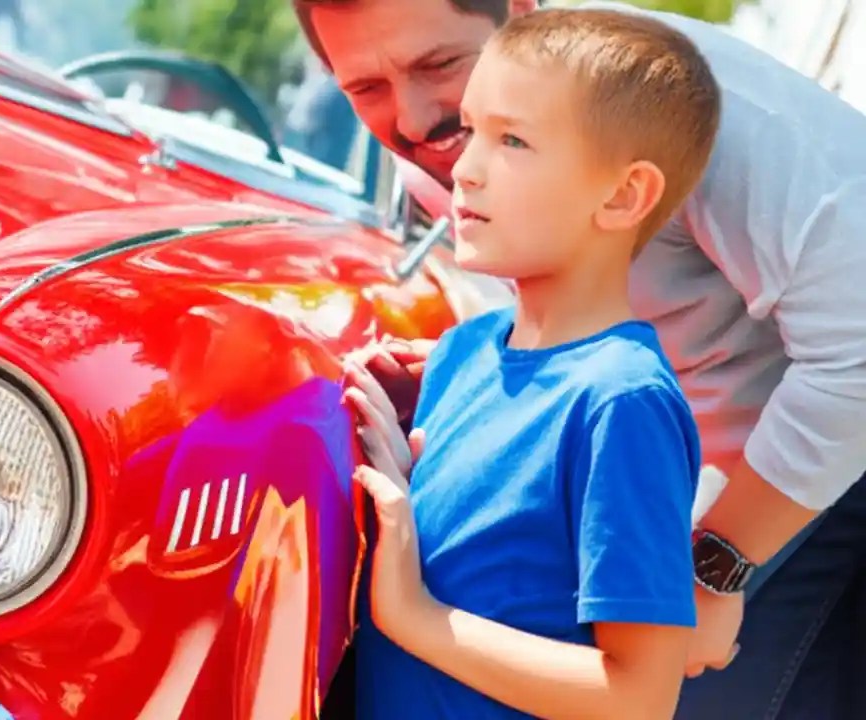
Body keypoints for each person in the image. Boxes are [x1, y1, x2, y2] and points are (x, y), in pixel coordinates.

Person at [297, 0, 866, 716]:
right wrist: (482, 385)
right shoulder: (469, 150)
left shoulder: (697, 109)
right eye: (365, 90)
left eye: (437, 64)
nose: (412, 123)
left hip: (828, 455)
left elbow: (858, 349)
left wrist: (717, 570)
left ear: (521, 10)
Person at [339, 8, 716, 718]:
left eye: (512, 140)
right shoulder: (459, 352)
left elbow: (640, 694)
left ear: (623, 195)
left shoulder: (621, 401)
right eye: (474, 129)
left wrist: (414, 614)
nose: (467, 169)